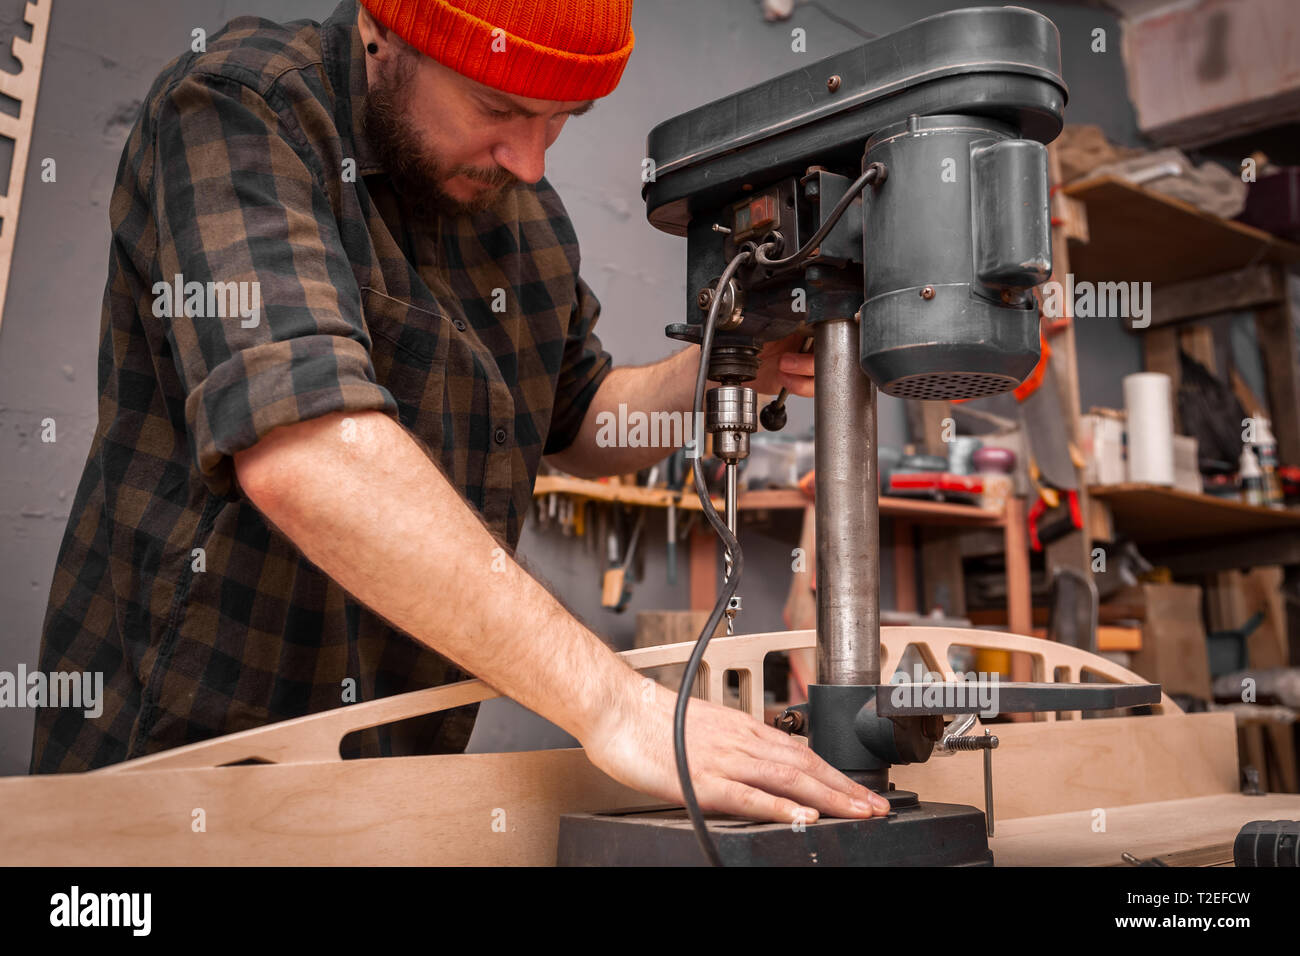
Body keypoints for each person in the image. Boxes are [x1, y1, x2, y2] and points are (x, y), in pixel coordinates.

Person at [30, 0, 889, 826]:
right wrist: (615, 705)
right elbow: (307, 450)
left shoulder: (530, 221)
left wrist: (714, 370)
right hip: (180, 754)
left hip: (401, 769)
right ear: (383, 29)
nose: (530, 161)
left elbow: (584, 421)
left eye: (565, 119)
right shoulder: (241, 110)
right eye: (499, 107)